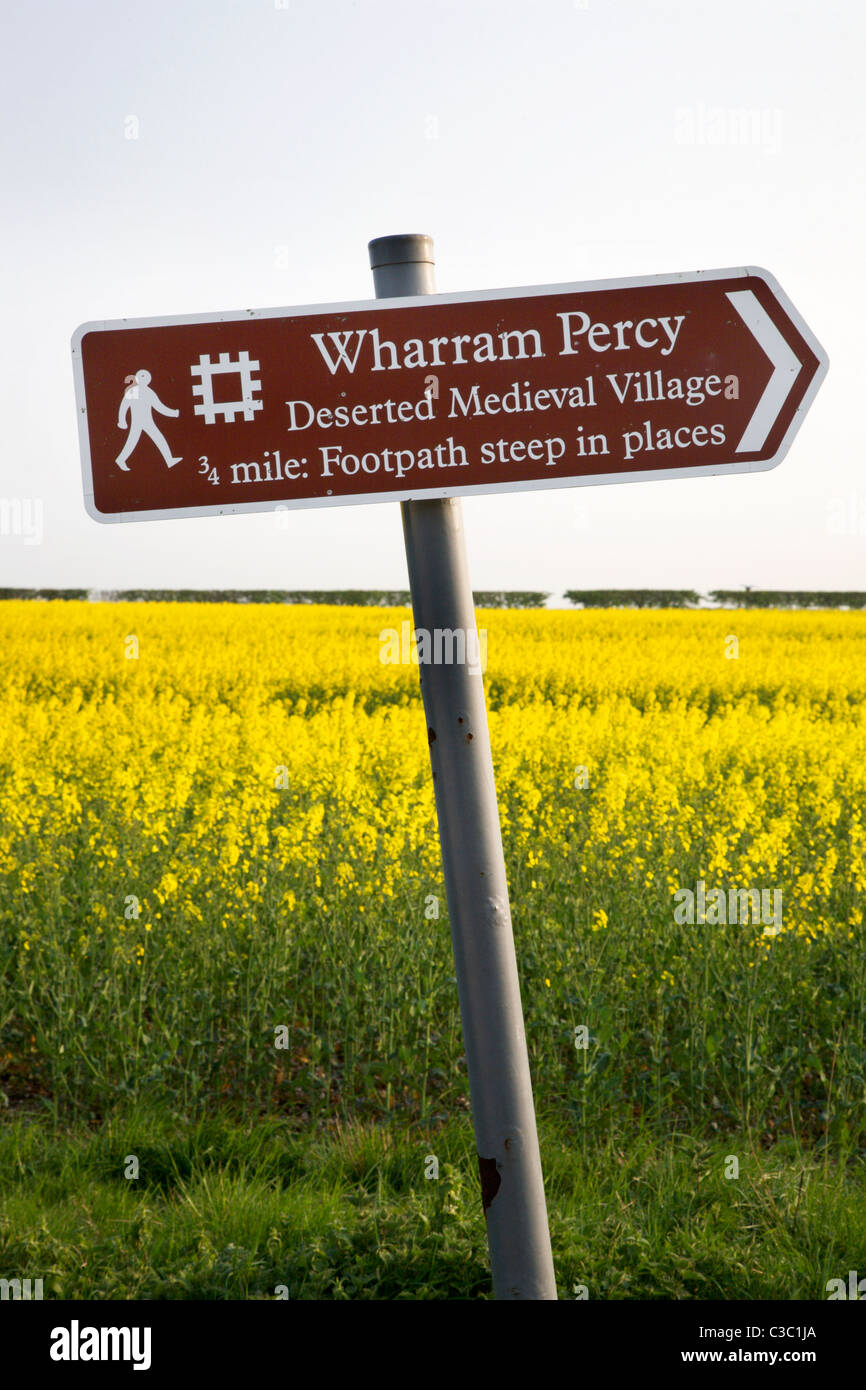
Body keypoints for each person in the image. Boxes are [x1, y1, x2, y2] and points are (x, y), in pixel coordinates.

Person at [116, 370, 182, 470]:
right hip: (138, 422)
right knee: (132, 441)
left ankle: (169, 460)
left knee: (157, 438)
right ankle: (121, 460)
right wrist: (122, 420)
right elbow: (124, 405)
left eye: (145, 377)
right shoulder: (133, 391)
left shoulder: (149, 392)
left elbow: (159, 407)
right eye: (142, 377)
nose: (144, 379)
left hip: (147, 421)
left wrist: (174, 413)